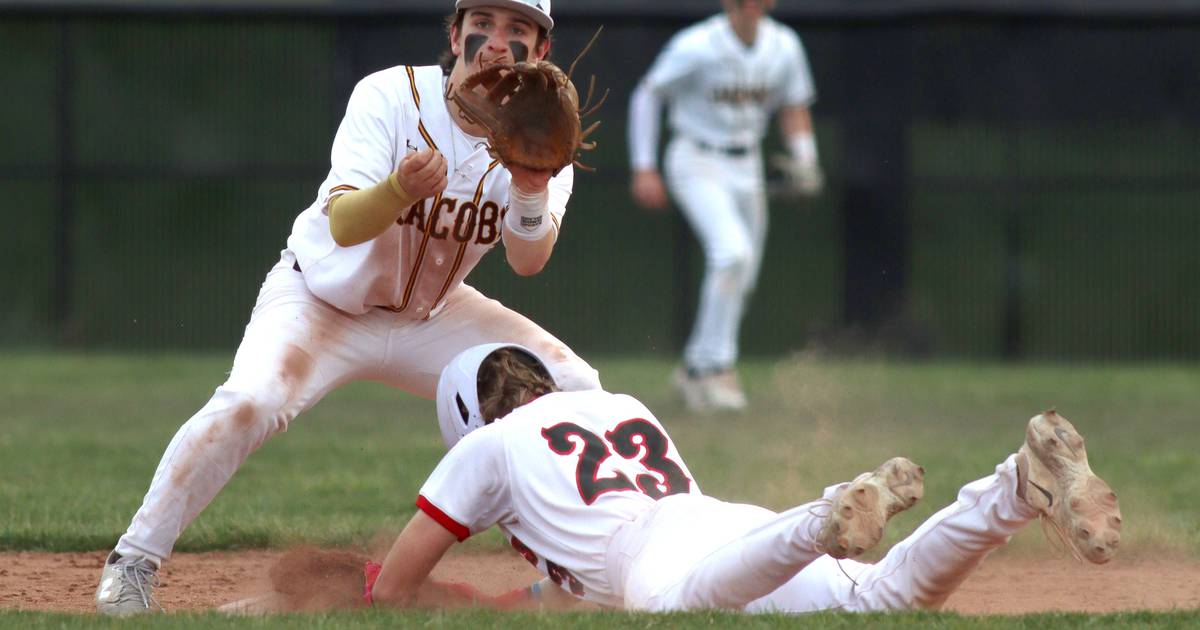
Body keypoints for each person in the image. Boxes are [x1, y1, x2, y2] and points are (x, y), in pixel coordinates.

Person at [94, 0, 603, 616]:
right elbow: (342, 224)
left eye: (518, 30)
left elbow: (529, 261)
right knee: (252, 400)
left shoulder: (542, 136)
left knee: (573, 387)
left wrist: (530, 185)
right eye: (484, 25)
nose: (498, 42)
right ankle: (134, 560)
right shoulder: (391, 96)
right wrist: (399, 190)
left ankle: (584, 569)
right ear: (455, 33)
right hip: (322, 301)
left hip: (432, 317)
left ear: (541, 51)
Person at [360, 343, 1121, 613]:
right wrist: (512, 604)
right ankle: (1016, 490)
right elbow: (564, 589)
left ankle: (828, 517)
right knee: (879, 601)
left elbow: (395, 589)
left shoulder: (485, 445)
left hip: (655, 554)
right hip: (720, 523)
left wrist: (431, 597)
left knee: (672, 608)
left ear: (467, 416)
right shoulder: (612, 403)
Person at [628, 0, 824, 412]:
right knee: (732, 254)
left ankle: (694, 368)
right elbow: (648, 94)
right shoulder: (698, 44)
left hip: (747, 162)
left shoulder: (784, 45)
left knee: (742, 274)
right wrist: (643, 165)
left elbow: (794, 107)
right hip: (695, 158)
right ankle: (715, 370)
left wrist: (805, 158)